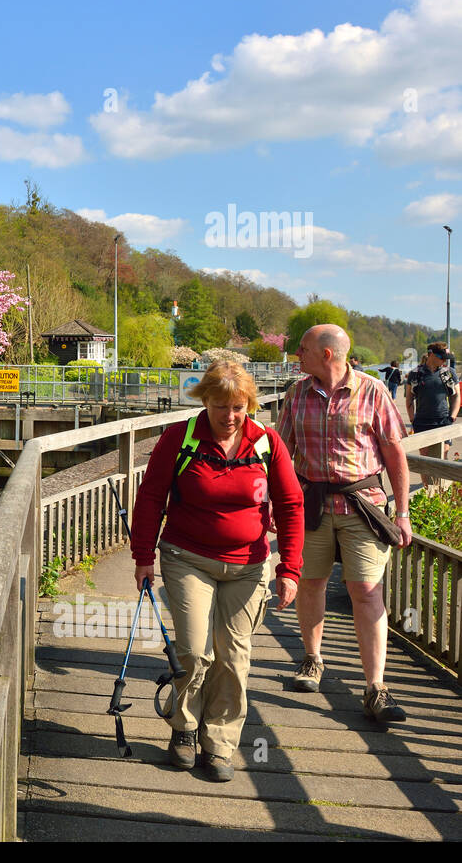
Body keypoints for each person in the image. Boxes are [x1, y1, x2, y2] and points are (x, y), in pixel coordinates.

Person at [130, 361, 303, 782]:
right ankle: (185, 730)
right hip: (187, 557)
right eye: (220, 406)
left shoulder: (267, 443)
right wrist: (142, 556)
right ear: (203, 400)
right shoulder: (180, 438)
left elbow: (291, 504)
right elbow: (151, 497)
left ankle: (220, 743)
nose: (229, 416)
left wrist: (290, 569)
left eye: (239, 407)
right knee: (193, 651)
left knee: (234, 658)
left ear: (250, 405)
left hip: (248, 566)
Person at [277, 325, 412, 722]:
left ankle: (376, 688)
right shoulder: (296, 393)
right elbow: (281, 453)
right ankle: (313, 660)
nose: (297, 355)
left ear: (328, 355)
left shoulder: (372, 391)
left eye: (302, 350)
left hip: (362, 505)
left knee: (367, 591)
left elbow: (394, 454)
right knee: (310, 582)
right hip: (311, 503)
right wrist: (270, 501)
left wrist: (401, 513)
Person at [405, 342, 459, 434]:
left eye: (446, 358)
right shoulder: (415, 373)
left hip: (444, 421)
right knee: (426, 449)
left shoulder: (449, 372)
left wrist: (452, 416)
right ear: (432, 355)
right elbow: (409, 397)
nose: (444, 361)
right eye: (442, 358)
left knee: (444, 449)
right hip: (422, 422)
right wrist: (412, 419)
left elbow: (456, 396)